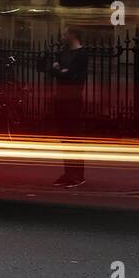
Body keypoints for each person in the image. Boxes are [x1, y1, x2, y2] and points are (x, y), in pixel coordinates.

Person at [51, 26, 88, 188]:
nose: (62, 36)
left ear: (73, 35)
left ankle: (78, 175)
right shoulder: (62, 53)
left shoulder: (82, 54)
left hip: (73, 100)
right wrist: (61, 72)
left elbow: (72, 76)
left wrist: (60, 71)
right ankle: (68, 172)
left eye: (65, 34)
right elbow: (51, 70)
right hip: (61, 99)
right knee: (65, 137)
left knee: (74, 137)